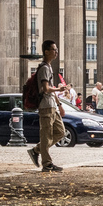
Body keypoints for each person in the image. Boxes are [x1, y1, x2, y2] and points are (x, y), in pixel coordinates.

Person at [29, 39, 69, 172]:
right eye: (54, 49)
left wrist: (59, 104)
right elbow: (46, 88)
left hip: (52, 105)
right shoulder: (44, 68)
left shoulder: (48, 67)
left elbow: (49, 89)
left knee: (60, 132)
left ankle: (36, 150)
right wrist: (59, 89)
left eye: (56, 49)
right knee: (46, 136)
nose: (56, 52)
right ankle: (47, 164)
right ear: (46, 52)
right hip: (45, 106)